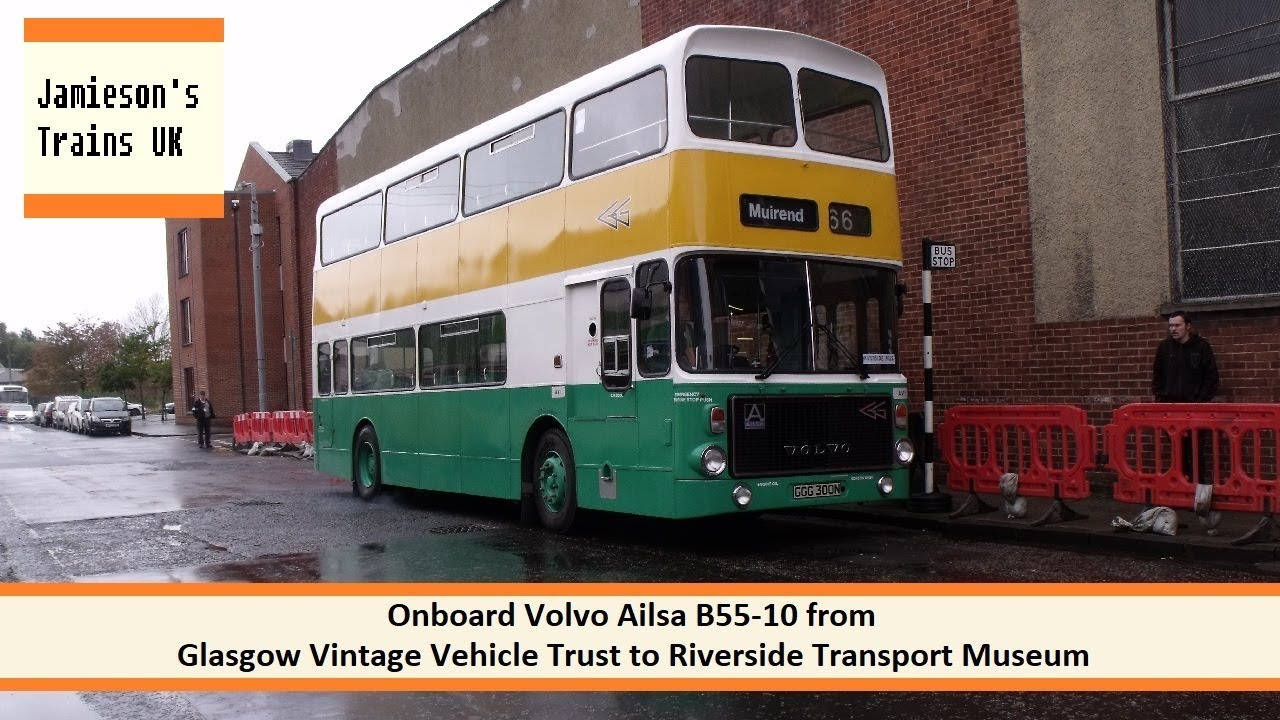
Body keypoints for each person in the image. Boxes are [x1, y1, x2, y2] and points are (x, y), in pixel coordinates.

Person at [1151, 310, 1219, 515]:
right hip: (1172, 412)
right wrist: (1161, 399)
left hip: (1196, 411)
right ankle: (1180, 495)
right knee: (1177, 454)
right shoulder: (1164, 348)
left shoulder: (1201, 347)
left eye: (1177, 325)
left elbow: (1211, 377)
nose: (1173, 329)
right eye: (1171, 326)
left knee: (1197, 454)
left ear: (1188, 326)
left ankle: (1198, 498)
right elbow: (1157, 376)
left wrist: (1199, 403)